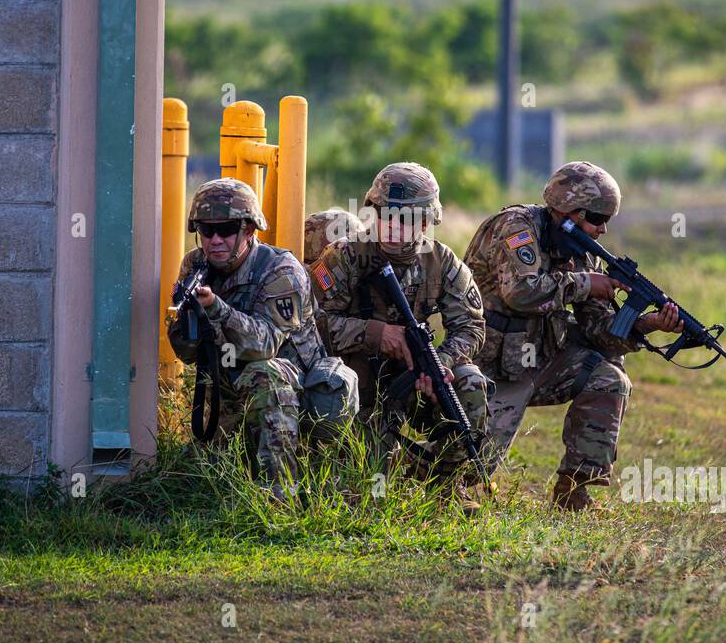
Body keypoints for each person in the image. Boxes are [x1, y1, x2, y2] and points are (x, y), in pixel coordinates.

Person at [464, 162, 683, 512]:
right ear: (569, 212)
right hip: (488, 366)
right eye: (597, 218)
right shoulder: (516, 228)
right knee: (470, 465)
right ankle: (424, 477)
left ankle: (574, 491)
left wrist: (647, 324)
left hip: (542, 359)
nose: (603, 229)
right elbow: (520, 292)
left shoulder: (581, 253)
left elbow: (598, 330)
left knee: (609, 379)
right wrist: (585, 285)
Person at [309, 163, 490, 510]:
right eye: (385, 215)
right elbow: (310, 323)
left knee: (469, 384)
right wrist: (373, 333)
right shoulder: (346, 256)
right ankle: (384, 463)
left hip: (410, 383)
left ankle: (446, 485)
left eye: (405, 219)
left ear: (425, 222)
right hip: (355, 387)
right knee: (362, 497)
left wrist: (440, 364)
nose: (392, 227)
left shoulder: (442, 263)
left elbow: (471, 326)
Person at [167, 178, 357, 499]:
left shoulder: (281, 271)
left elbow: (265, 344)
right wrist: (186, 321)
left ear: (249, 230)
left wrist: (216, 309)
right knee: (193, 481)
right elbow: (186, 354)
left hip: (299, 394)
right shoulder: (196, 266)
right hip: (233, 393)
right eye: (205, 230)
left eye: (226, 229)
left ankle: (279, 492)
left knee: (265, 373)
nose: (214, 240)